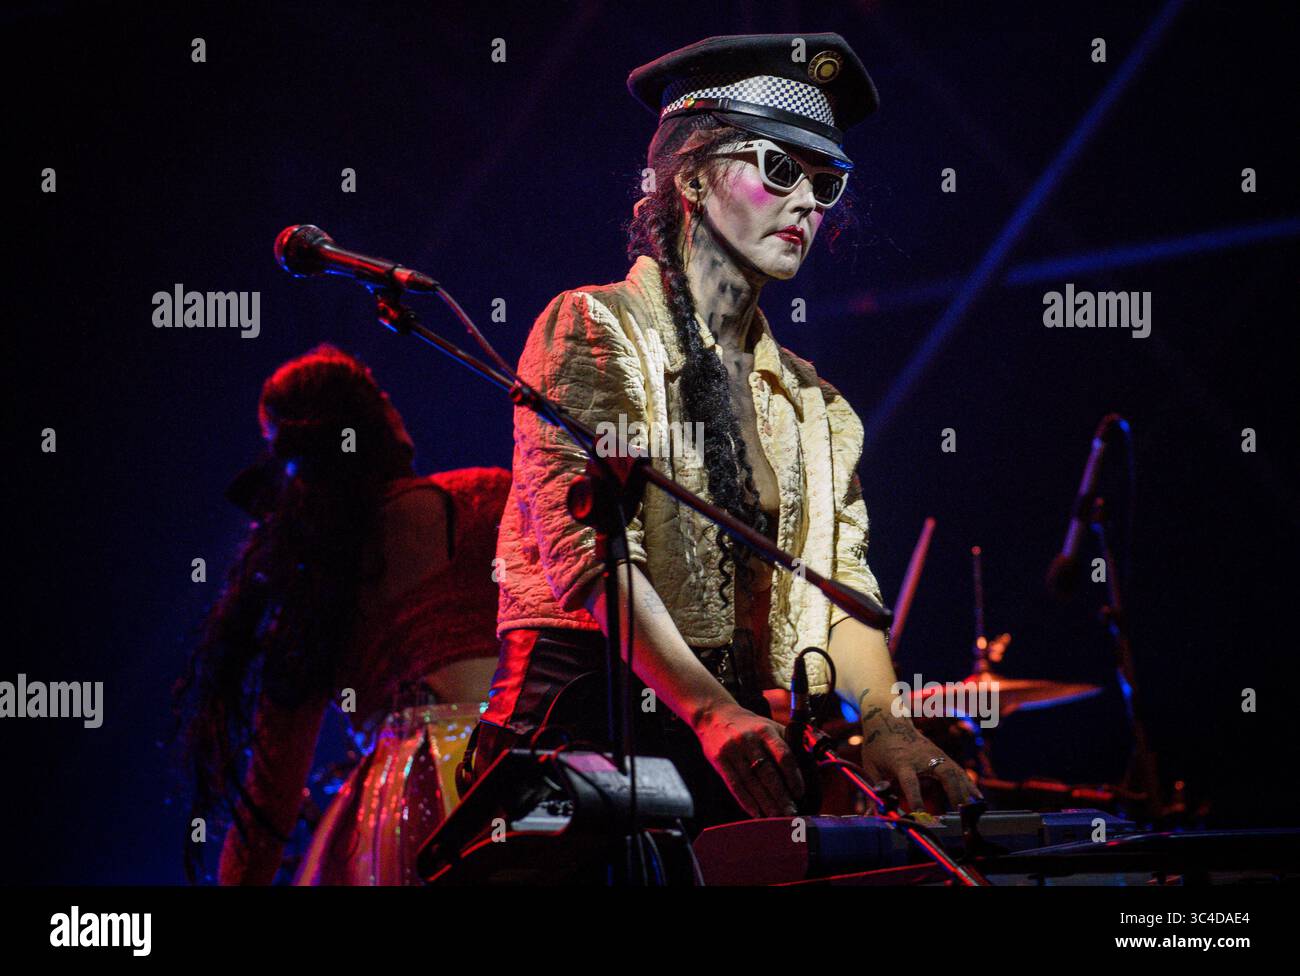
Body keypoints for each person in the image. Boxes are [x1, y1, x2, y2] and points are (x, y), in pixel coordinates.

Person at [468, 33, 981, 830]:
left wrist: (885, 721)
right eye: (781, 168)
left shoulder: (815, 403)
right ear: (694, 180)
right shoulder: (595, 325)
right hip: (577, 746)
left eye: (826, 181)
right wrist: (712, 714)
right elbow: (591, 559)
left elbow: (838, 593)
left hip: (727, 751)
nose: (808, 201)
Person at [173, 344, 511, 884]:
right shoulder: (489, 496)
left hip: (398, 810)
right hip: (511, 774)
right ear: (386, 419)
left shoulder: (316, 578)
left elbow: (271, 800)